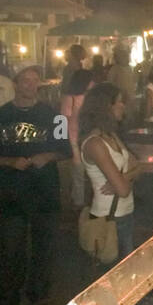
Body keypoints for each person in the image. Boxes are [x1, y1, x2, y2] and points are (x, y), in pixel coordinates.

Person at [0, 65, 70, 305]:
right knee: (10, 250)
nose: (30, 85)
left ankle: (39, 293)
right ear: (15, 85)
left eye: (34, 81)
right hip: (13, 195)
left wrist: (47, 155)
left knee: (44, 247)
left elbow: (65, 151)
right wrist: (10, 162)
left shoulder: (54, 116)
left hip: (46, 193)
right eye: (25, 81)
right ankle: (4, 303)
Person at [79, 83, 147, 259]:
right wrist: (124, 180)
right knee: (115, 275)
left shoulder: (111, 136)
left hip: (125, 212)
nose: (122, 106)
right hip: (109, 218)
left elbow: (137, 166)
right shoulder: (95, 143)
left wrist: (122, 177)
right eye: (119, 102)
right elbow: (124, 190)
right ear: (105, 107)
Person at [60, 69, 93, 208]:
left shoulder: (91, 98)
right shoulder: (70, 98)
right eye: (91, 80)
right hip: (73, 138)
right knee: (78, 171)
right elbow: (62, 119)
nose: (93, 83)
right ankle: (78, 203)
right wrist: (61, 140)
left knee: (87, 171)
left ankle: (81, 199)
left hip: (87, 138)